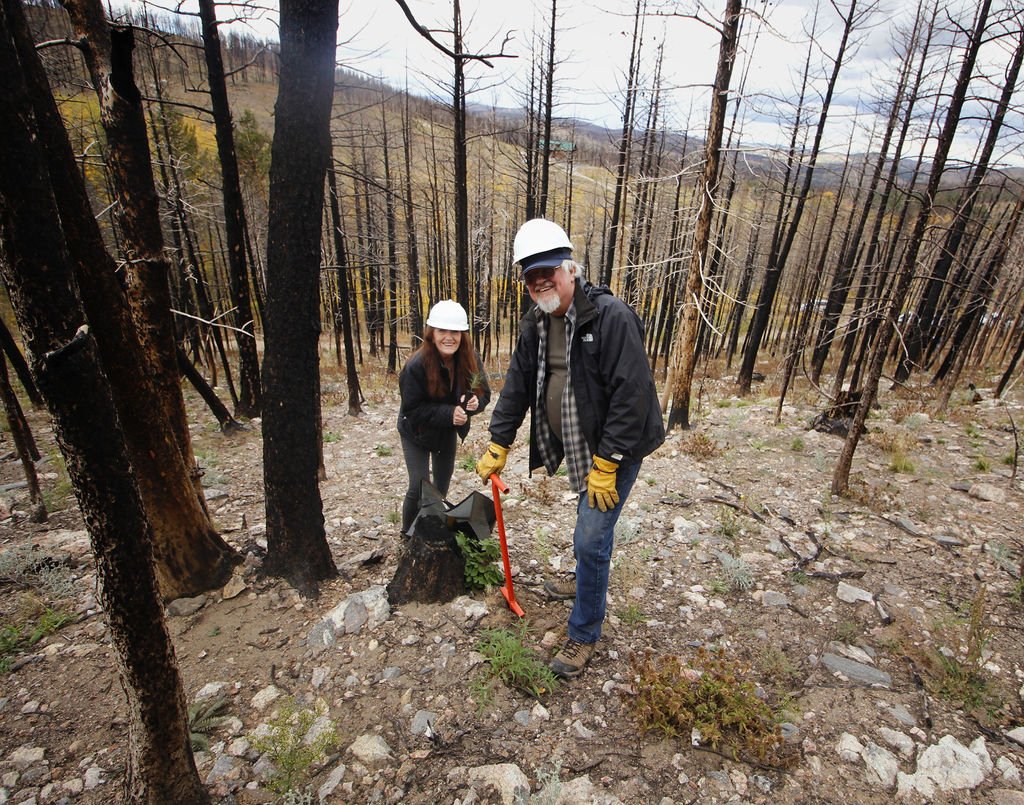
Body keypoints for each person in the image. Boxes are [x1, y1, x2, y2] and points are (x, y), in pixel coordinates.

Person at [476, 218, 664, 680]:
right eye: (530, 276)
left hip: (616, 448)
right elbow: (517, 385)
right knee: (588, 528)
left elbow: (632, 395)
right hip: (581, 447)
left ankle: (583, 632)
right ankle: (584, 582)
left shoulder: (610, 317)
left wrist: (609, 461)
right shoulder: (536, 324)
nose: (540, 282)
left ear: (570, 270)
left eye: (548, 272)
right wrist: (499, 441)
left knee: (591, 536)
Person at [398, 300, 490, 533]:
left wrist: (474, 403)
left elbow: (484, 393)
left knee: (440, 487)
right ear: (432, 333)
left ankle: (430, 531)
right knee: (418, 486)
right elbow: (412, 409)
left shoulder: (470, 359)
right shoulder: (416, 365)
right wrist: (450, 413)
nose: (449, 337)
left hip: (446, 432)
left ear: (462, 335)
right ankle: (407, 534)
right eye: (442, 331)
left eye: (455, 332)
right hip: (415, 431)